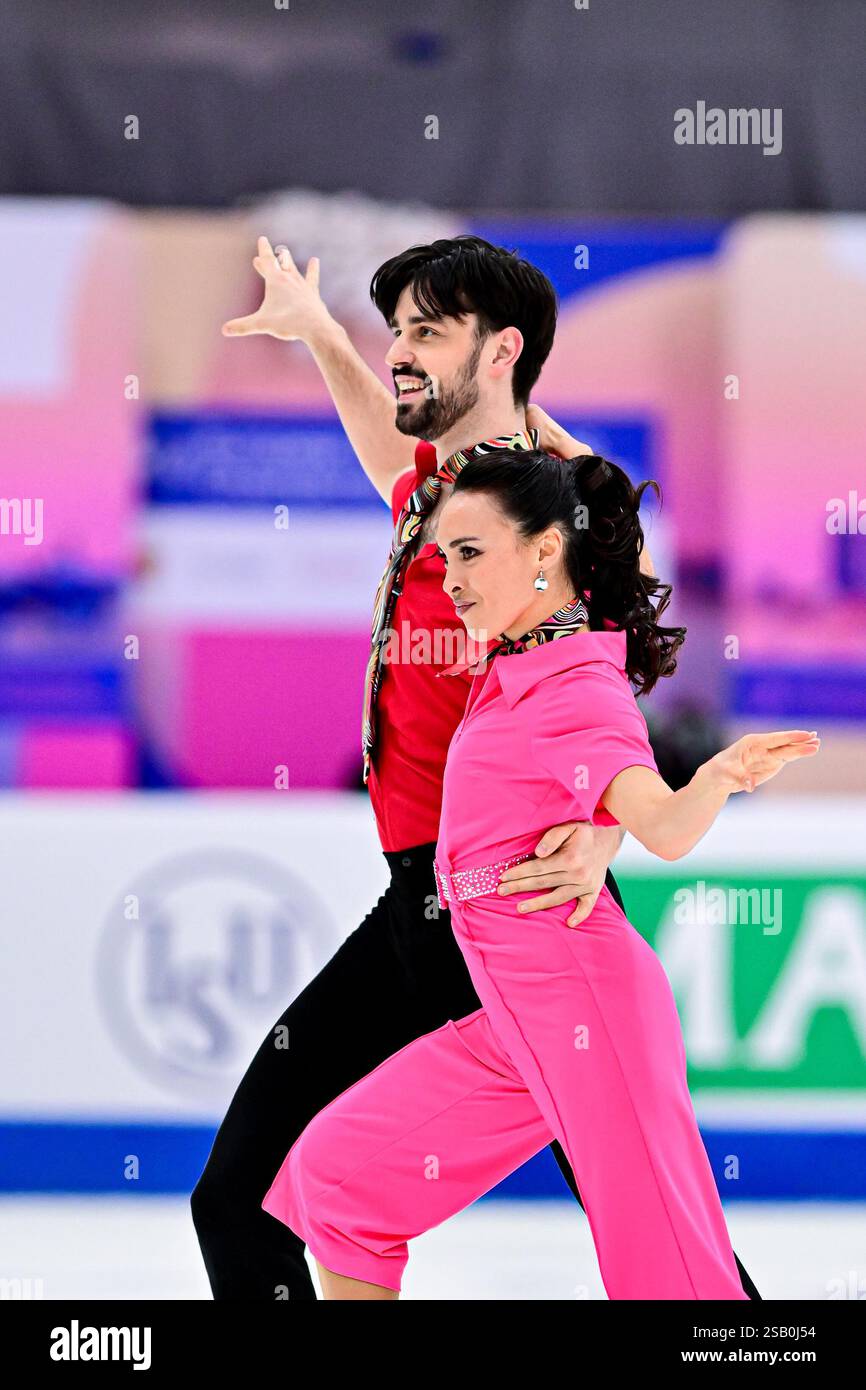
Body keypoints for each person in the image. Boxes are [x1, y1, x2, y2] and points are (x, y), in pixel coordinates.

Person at [192, 234, 760, 1300]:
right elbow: (383, 447)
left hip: (523, 904)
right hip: (420, 902)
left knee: (650, 1220)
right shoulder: (439, 492)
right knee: (242, 1195)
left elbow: (611, 659)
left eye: (423, 331)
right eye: (394, 329)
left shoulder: (557, 508)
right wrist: (321, 336)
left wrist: (600, 821)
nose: (399, 351)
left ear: (500, 351)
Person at [260, 448, 820, 1299]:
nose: (449, 579)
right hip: (514, 1014)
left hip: (585, 1003)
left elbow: (662, 826)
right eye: (444, 556)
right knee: (337, 1182)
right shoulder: (519, 662)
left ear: (547, 551)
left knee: (672, 1280)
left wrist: (714, 778)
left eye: (472, 553)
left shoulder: (576, 684)